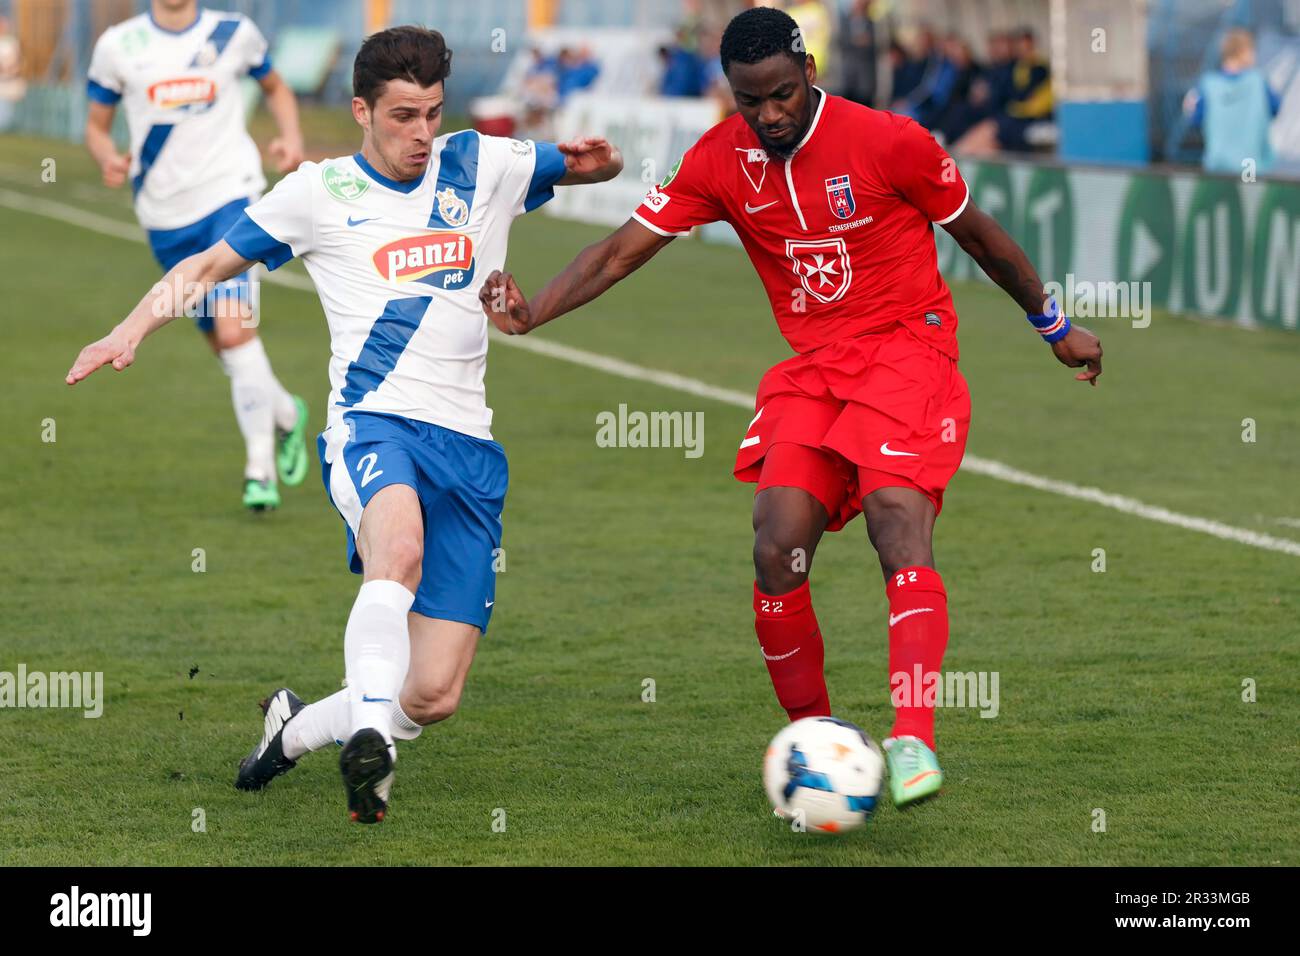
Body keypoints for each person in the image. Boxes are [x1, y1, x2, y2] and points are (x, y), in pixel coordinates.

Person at [478, 6, 1101, 809]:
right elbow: (619, 251)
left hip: (909, 351)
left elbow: (980, 237)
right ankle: (821, 741)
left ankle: (912, 737)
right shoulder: (720, 158)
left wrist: (1053, 325)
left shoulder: (888, 142)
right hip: (815, 370)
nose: (768, 115)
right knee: (776, 547)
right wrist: (534, 312)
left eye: (780, 95)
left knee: (894, 520)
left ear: (808, 70)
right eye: (750, 101)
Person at [66, 25, 624, 824]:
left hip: (468, 447)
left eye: (432, 112)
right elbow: (205, 267)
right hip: (372, 426)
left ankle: (296, 731)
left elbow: (588, 167)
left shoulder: (485, 161)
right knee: (394, 551)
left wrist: (595, 161)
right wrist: (129, 330)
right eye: (402, 116)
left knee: (431, 694)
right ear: (362, 110)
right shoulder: (317, 193)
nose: (421, 133)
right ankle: (369, 742)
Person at [84, 0, 309, 510]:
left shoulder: (234, 33)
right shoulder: (117, 46)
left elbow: (275, 86)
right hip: (164, 218)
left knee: (234, 330)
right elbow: (95, 126)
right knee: (225, 348)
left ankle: (260, 471)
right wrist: (107, 157)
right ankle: (288, 415)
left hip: (230, 197)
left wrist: (290, 137)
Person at [1185, 28, 1281, 175]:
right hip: (1252, 168)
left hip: (1217, 166)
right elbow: (1275, 108)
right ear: (1243, 51)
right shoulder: (1259, 81)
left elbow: (1195, 119)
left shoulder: (1207, 85)